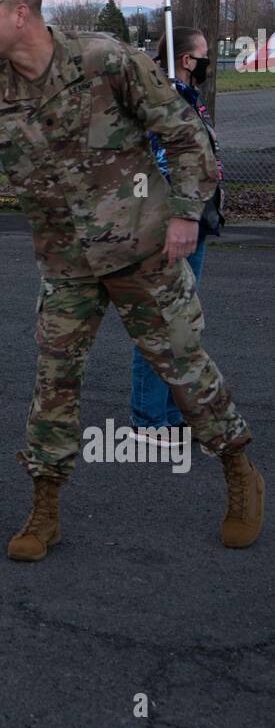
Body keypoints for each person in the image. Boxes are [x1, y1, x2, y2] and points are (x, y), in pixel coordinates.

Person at [0, 0, 263, 561]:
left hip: (142, 251)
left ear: (20, 13)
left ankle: (237, 470)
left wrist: (185, 212)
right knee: (54, 384)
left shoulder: (107, 60)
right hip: (66, 263)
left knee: (181, 367)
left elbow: (183, 132)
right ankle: (45, 508)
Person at [130, 27, 224, 443]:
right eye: (203, 54)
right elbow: (164, 166)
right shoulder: (164, 100)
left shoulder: (189, 99)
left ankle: (169, 411)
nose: (208, 59)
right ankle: (149, 418)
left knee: (181, 323)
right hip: (172, 226)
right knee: (162, 321)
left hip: (196, 223)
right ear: (187, 60)